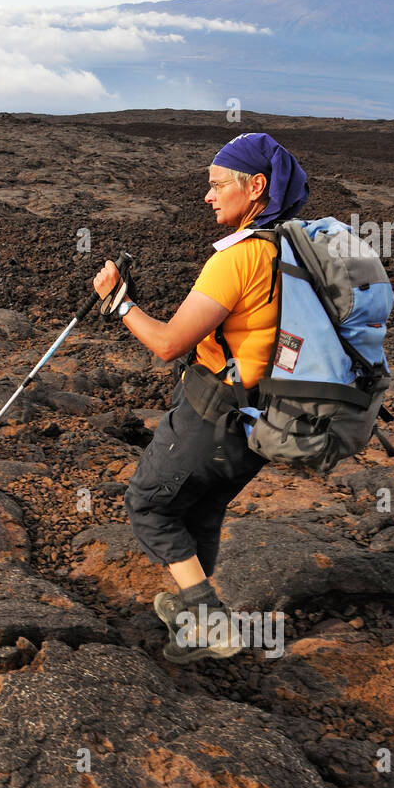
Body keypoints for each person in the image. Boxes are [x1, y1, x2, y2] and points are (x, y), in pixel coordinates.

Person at [93, 132, 309, 664]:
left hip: (213, 412)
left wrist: (117, 302)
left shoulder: (239, 258)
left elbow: (168, 344)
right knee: (202, 510)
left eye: (216, 186)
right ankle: (193, 624)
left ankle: (211, 624)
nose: (208, 197)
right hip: (263, 419)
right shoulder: (293, 247)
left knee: (148, 504)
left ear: (256, 186)